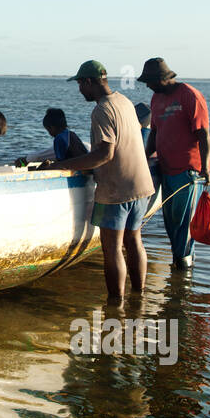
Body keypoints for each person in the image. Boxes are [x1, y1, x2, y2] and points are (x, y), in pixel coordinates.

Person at [44, 60, 154, 302]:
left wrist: (62, 165)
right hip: (142, 185)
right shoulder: (124, 101)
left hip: (117, 190)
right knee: (134, 240)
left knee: (112, 247)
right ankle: (139, 296)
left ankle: (116, 303)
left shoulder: (102, 110)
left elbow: (105, 153)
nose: (80, 90)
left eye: (81, 85)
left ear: (89, 82)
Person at [137, 57, 210, 270]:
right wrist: (143, 157)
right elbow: (155, 133)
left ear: (162, 79)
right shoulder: (156, 99)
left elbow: (203, 134)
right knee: (171, 223)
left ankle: (183, 271)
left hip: (188, 171)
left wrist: (205, 168)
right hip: (165, 168)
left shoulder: (189, 95)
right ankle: (177, 269)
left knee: (184, 224)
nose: (147, 85)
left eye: (149, 81)